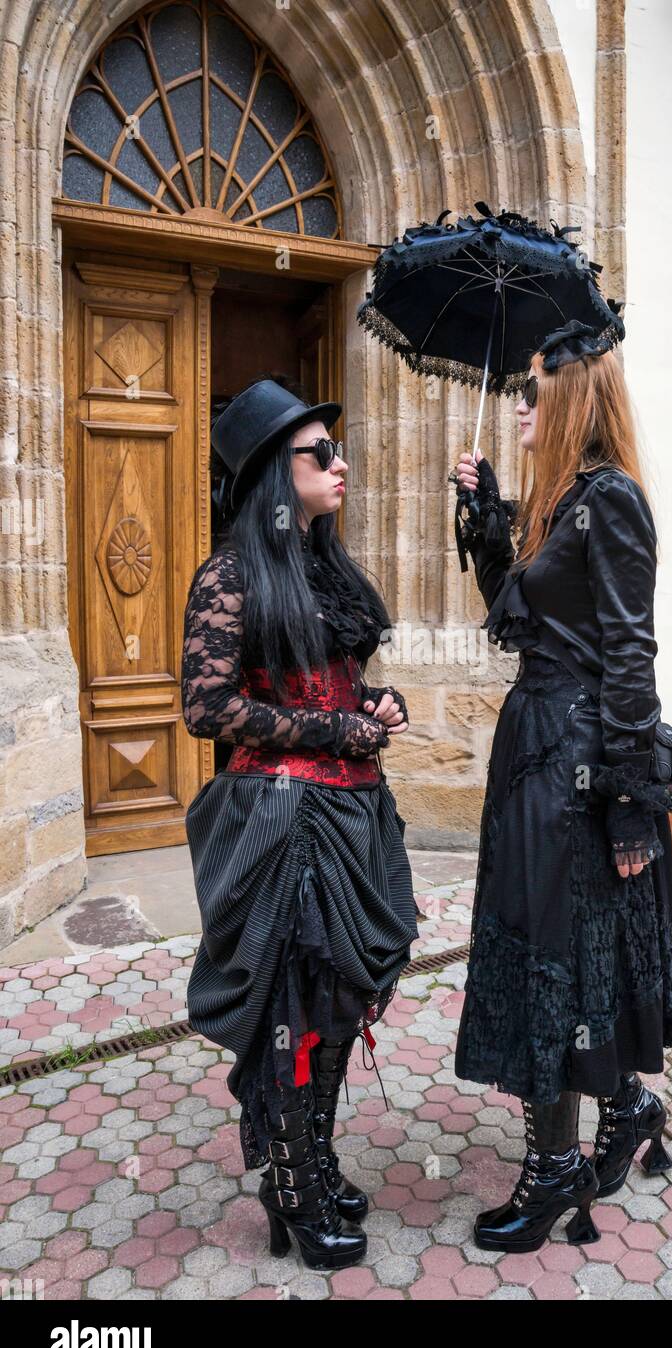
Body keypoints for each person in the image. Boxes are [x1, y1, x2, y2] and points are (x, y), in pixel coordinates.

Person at [451, 313, 672, 1254]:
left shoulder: (612, 501)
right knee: (537, 939)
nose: (519, 407)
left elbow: (630, 652)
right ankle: (628, 1108)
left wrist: (634, 794)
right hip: (533, 739)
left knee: (555, 949)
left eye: (531, 392)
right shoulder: (555, 505)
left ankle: (553, 1170)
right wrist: (485, 519)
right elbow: (518, 621)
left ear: (567, 398)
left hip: (578, 755)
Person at [181, 377, 418, 1271]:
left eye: (336, 448)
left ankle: (313, 1157)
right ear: (275, 477)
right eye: (321, 453)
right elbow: (206, 707)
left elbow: (334, 680)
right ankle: (289, 1181)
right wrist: (334, 727)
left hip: (353, 812)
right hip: (280, 821)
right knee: (294, 1004)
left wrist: (373, 704)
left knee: (341, 996)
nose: (341, 462)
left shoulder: (323, 566)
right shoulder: (230, 574)